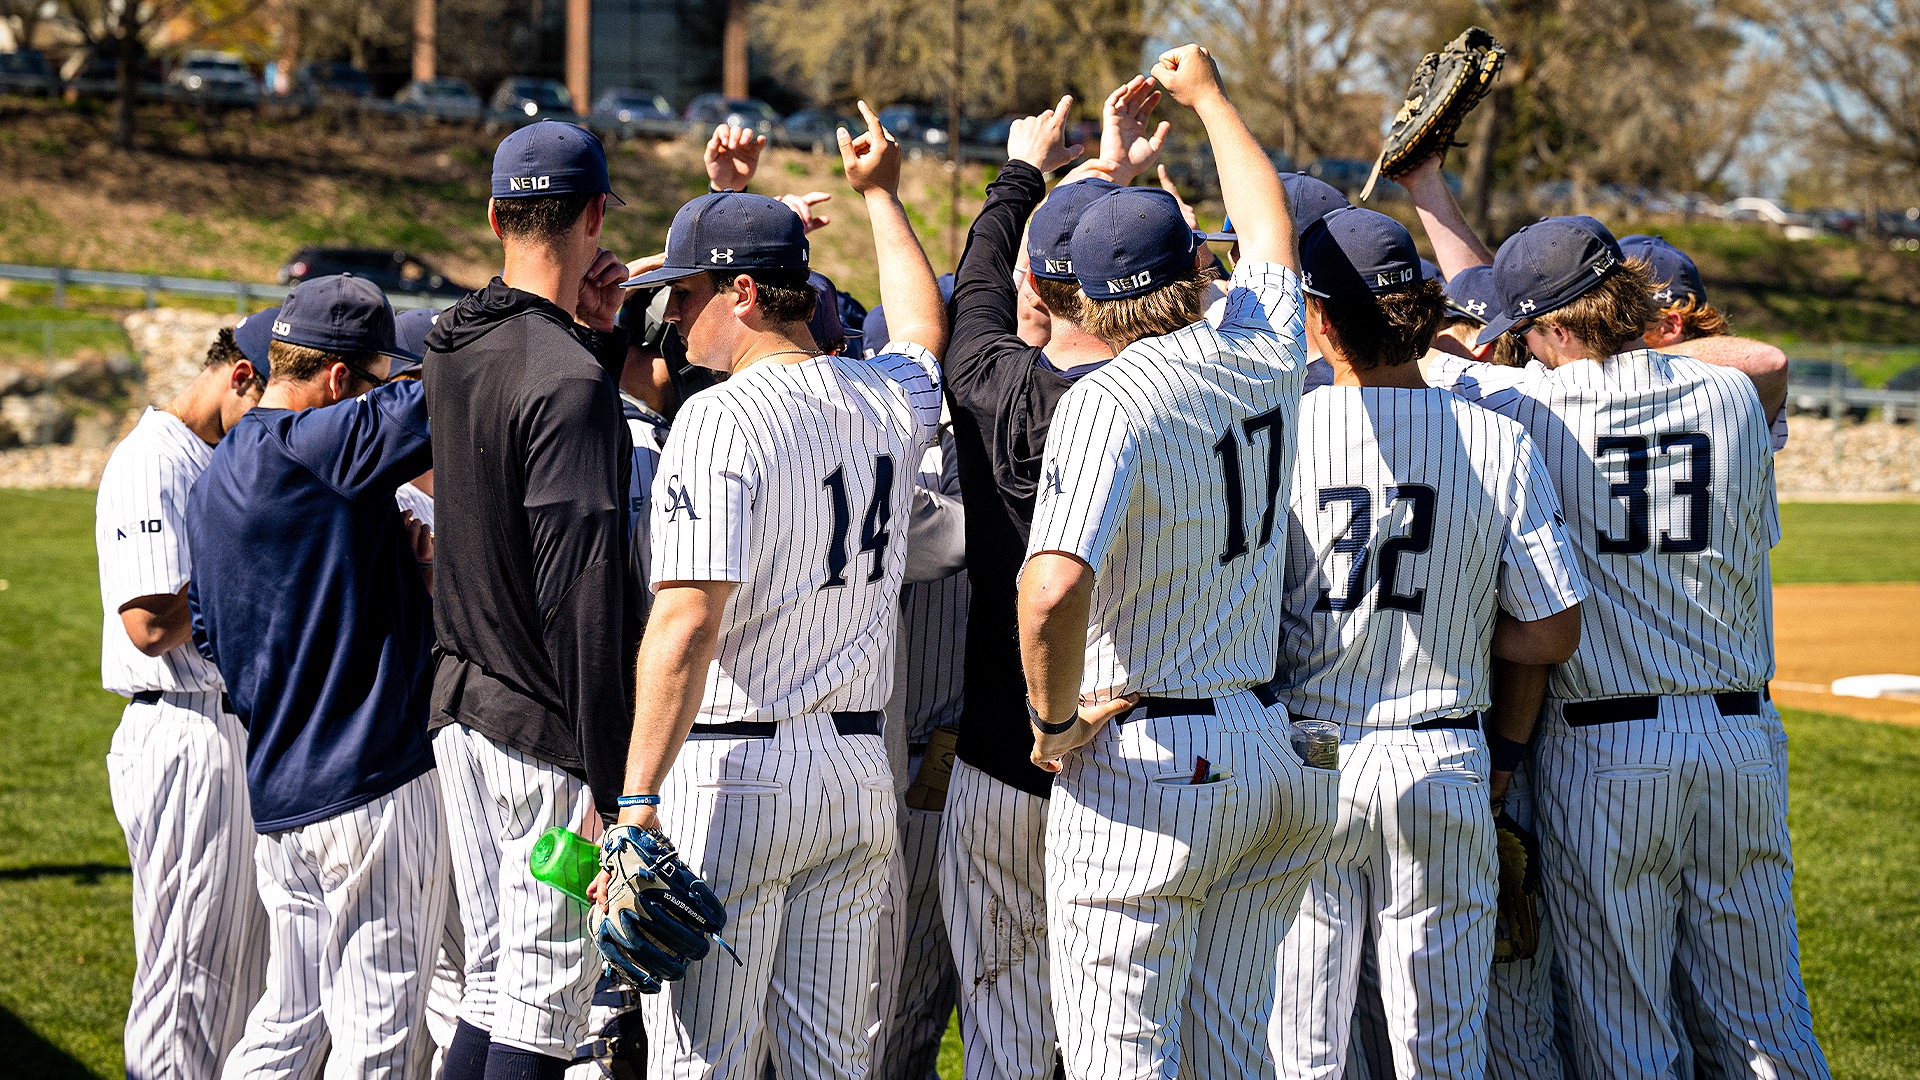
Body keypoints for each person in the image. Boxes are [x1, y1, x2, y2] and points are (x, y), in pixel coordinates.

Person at [1429, 214, 1831, 1079]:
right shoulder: (1729, 396)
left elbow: (1418, 361)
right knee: (1766, 1017)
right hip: (1742, 739)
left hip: (1608, 749)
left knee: (1626, 1027)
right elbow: (1766, 358)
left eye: (1532, 330)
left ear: (1554, 326)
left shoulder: (1520, 405)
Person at [604, 101, 947, 1079]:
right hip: (856, 776)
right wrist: (883, 196)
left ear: (744, 293)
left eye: (687, 293)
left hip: (737, 773)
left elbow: (686, 622)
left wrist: (635, 804)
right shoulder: (883, 394)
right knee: (828, 1065)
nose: (672, 314)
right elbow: (922, 327)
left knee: (701, 1063)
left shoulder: (719, 419)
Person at [1017, 45, 1336, 1079]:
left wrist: (1053, 723)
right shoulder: (1263, 347)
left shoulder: (1108, 399)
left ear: (1083, 298)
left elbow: (1052, 586)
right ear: (1198, 266)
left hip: (1150, 761)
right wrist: (1211, 100)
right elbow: (1270, 226)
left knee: (1120, 1060)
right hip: (1261, 740)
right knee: (1230, 1057)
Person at [1262, 206, 1589, 1077]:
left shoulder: (1280, 435)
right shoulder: (1498, 437)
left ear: (1320, 320)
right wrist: (1455, 621)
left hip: (1306, 753)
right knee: (1441, 1048)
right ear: (1423, 308)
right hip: (1441, 755)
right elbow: (1553, 629)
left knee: (1301, 1050)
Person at [937, 80, 1166, 1080]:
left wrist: (1022, 171)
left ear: (1039, 281)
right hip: (1130, 759)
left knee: (1006, 1035)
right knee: (1124, 1036)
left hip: (1003, 756)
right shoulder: (1171, 403)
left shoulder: (990, 381)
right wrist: (1119, 182)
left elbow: (981, 280)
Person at [186, 273, 446, 1078]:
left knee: (288, 1026)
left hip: (279, 788)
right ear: (338, 379)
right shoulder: (322, 445)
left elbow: (208, 632)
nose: (381, 398)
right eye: (375, 383)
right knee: (378, 1039)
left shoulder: (214, 473)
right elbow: (455, 383)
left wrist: (378, 574)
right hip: (369, 781)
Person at [424, 119, 636, 1080]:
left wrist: (590, 333)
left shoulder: (452, 341)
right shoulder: (568, 378)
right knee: (547, 1003)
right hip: (542, 733)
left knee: (494, 983)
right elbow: (581, 596)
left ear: (495, 216)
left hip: (461, 705)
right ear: (595, 217)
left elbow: (513, 343)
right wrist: (617, 786)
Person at [95, 309, 268, 1080]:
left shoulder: (215, 454)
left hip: (232, 731)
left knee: (240, 979)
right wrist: (265, 560)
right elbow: (150, 624)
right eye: (271, 403)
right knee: (188, 983)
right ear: (239, 376)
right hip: (186, 728)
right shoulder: (154, 459)